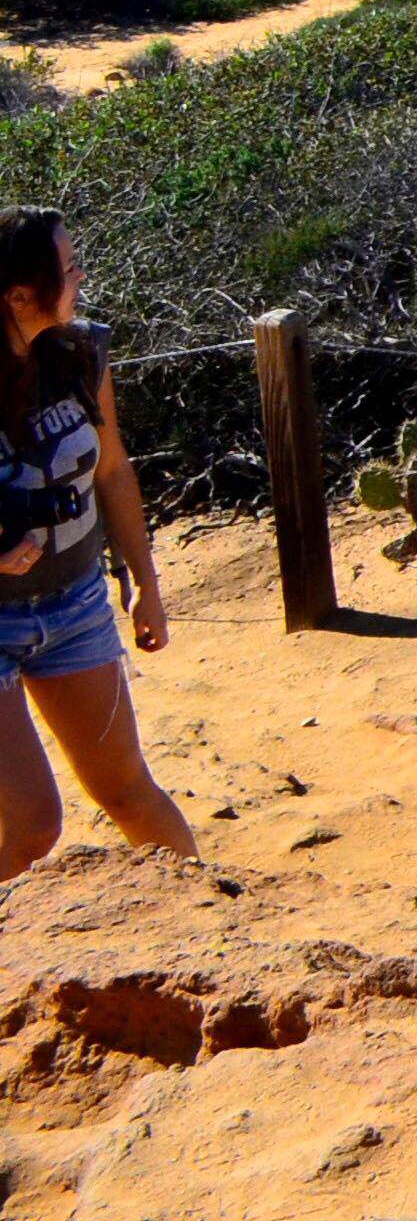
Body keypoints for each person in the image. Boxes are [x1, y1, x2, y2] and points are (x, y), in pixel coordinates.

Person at [0, 211, 197, 879]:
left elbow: (111, 469)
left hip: (76, 603)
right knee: (31, 826)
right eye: (68, 268)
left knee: (127, 792)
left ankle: (216, 929)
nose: (81, 277)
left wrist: (146, 583)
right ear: (19, 297)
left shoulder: (82, 351)